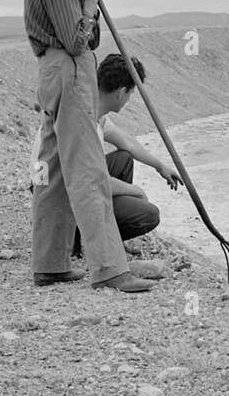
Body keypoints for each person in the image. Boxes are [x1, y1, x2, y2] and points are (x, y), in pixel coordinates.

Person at [23, 0, 151, 293]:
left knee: (53, 170)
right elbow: (79, 41)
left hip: (58, 73)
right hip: (69, 72)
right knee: (89, 171)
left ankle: (51, 264)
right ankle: (110, 268)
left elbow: (89, 39)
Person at [71, 53, 181, 274]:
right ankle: (94, 239)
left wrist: (160, 166)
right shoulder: (85, 122)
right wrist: (136, 191)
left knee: (123, 159)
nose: (129, 98)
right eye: (130, 93)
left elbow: (127, 143)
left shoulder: (93, 107)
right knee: (148, 214)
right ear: (122, 92)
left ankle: (107, 233)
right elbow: (94, 178)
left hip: (78, 182)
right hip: (66, 196)